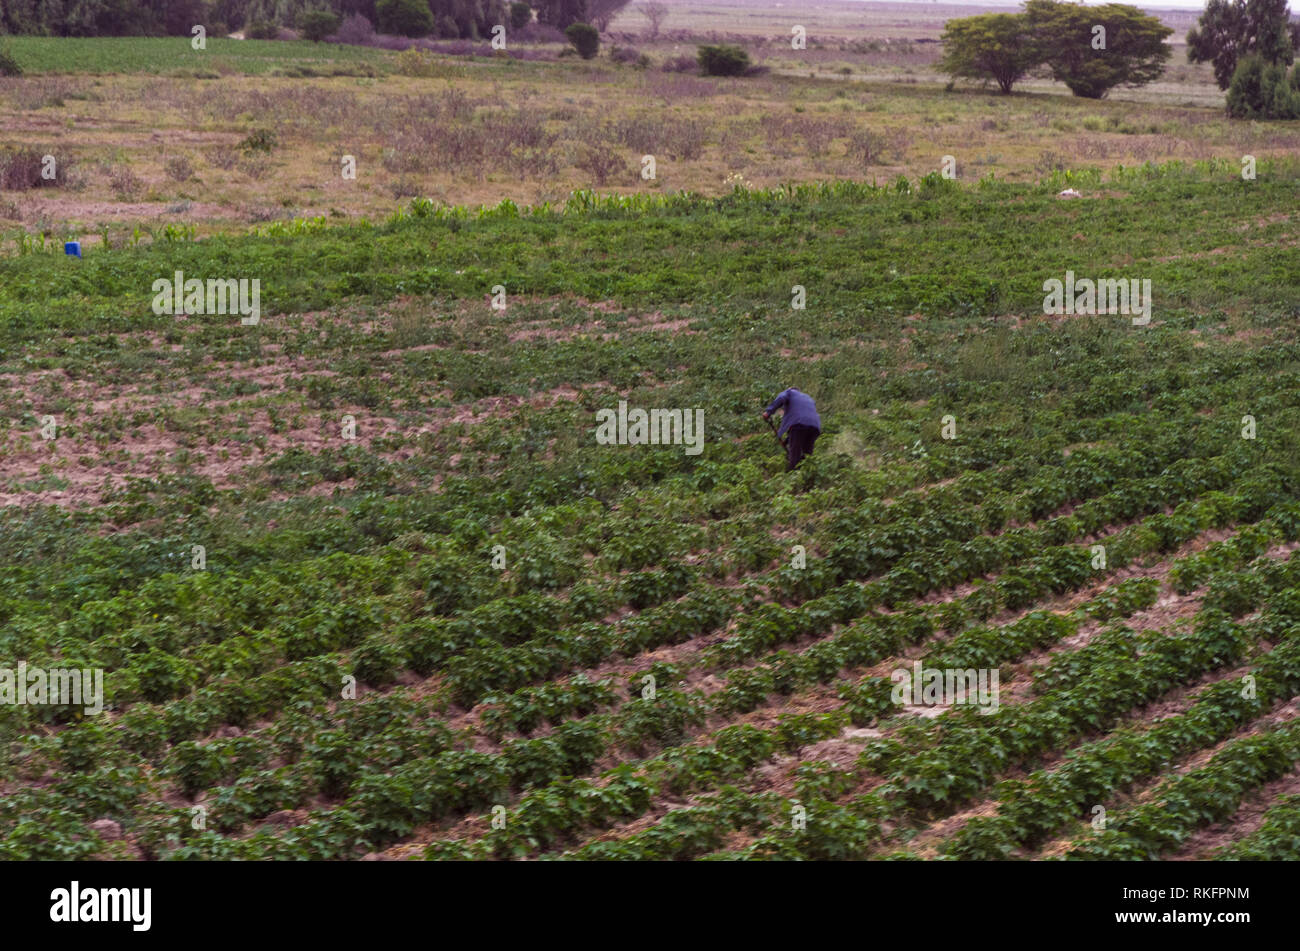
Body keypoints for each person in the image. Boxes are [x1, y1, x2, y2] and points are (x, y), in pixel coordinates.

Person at [763, 387, 821, 471]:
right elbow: (798, 433)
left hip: (798, 423)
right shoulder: (808, 398)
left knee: (795, 454)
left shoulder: (790, 392)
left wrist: (768, 412)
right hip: (815, 425)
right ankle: (807, 475)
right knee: (807, 456)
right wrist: (786, 441)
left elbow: (781, 397)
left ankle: (792, 476)